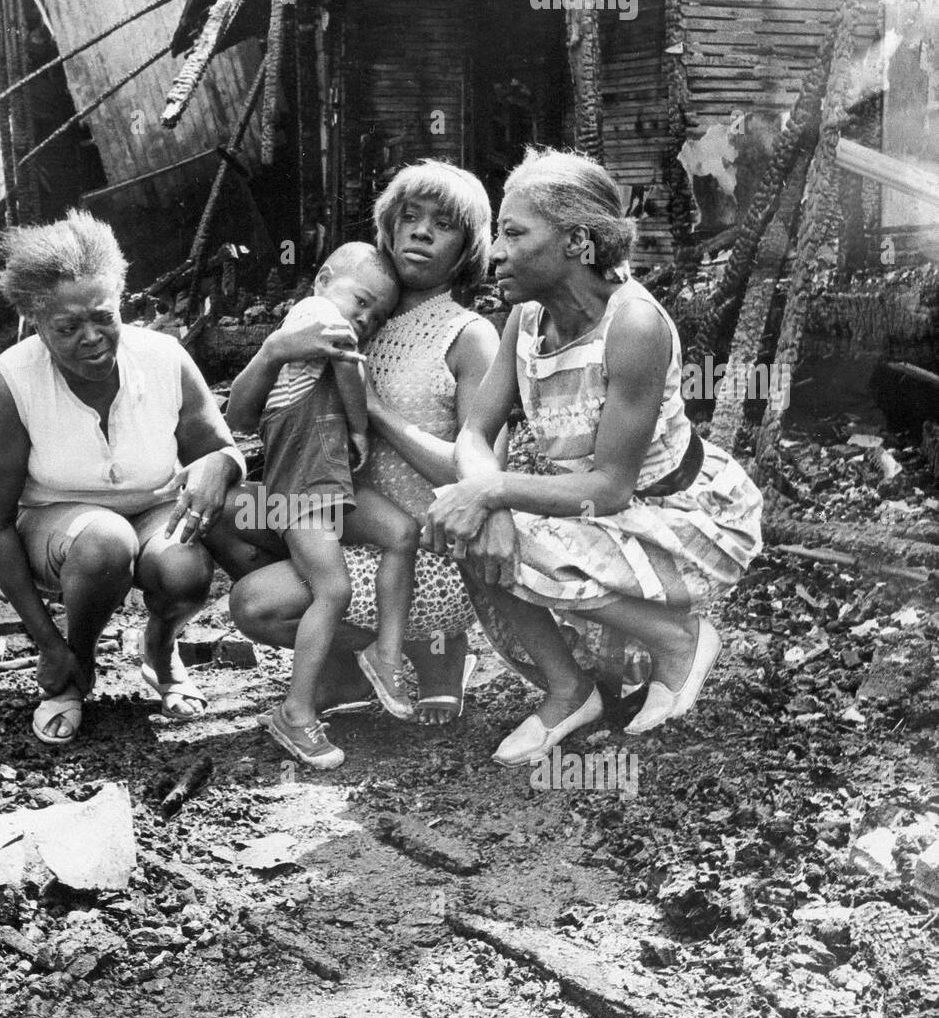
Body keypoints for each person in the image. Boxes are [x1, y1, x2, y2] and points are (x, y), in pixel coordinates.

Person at [424, 147, 763, 765]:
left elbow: (610, 487)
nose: (494, 251)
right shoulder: (525, 319)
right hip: (589, 513)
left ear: (578, 241)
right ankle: (569, 691)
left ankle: (677, 637)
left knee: (492, 524)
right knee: (468, 530)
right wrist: (488, 503)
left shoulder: (632, 324)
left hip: (673, 516)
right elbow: (474, 435)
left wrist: (493, 493)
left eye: (513, 232)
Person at [208, 160, 499, 730]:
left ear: (468, 247)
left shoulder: (470, 335)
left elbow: (478, 474)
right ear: (386, 228)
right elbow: (243, 417)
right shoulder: (359, 311)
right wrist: (272, 352)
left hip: (423, 548)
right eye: (408, 217)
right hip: (338, 509)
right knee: (220, 508)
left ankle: (430, 647)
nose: (420, 231)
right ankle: (346, 668)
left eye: (443, 224)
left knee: (254, 603)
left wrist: (372, 413)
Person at [0, 209, 245, 745]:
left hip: (155, 507)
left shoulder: (164, 358)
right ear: (35, 322)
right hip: (58, 528)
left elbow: (221, 450)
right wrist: (46, 643)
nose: (92, 339)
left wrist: (220, 463)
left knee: (184, 566)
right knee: (103, 544)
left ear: (121, 300)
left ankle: (161, 652)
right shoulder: (11, 382)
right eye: (67, 328)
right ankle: (76, 668)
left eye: (105, 317)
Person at [225, 243, 416, 769]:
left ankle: (385, 655)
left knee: (401, 532)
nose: (363, 318)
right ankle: (296, 711)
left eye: (375, 316)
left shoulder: (310, 331)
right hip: (304, 482)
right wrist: (358, 424)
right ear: (322, 281)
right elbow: (348, 369)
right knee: (332, 588)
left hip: (328, 484)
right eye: (361, 300)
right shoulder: (317, 316)